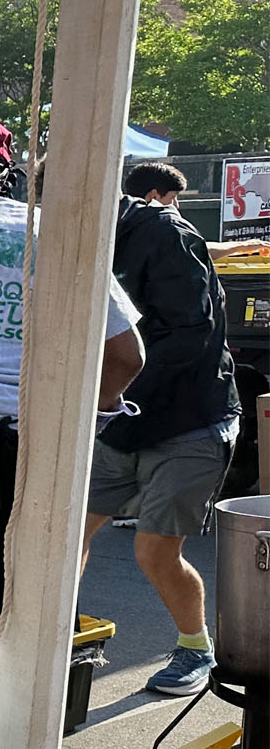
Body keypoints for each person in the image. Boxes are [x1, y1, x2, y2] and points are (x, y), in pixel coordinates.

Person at [0, 115, 146, 636]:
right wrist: (87, 414)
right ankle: (20, 701)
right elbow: (128, 356)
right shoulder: (60, 233)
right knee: (28, 596)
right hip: (43, 445)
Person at [82, 172, 243, 695]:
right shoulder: (79, 235)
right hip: (118, 417)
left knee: (153, 551)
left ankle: (196, 649)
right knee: (61, 538)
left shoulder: (164, 235)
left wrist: (107, 387)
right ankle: (48, 633)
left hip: (189, 422)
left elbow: (189, 334)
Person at [125, 162, 270, 259]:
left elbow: (195, 247)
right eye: (173, 197)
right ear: (154, 195)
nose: (176, 205)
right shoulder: (159, 228)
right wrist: (241, 246)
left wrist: (242, 246)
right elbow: (196, 252)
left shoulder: (121, 223)